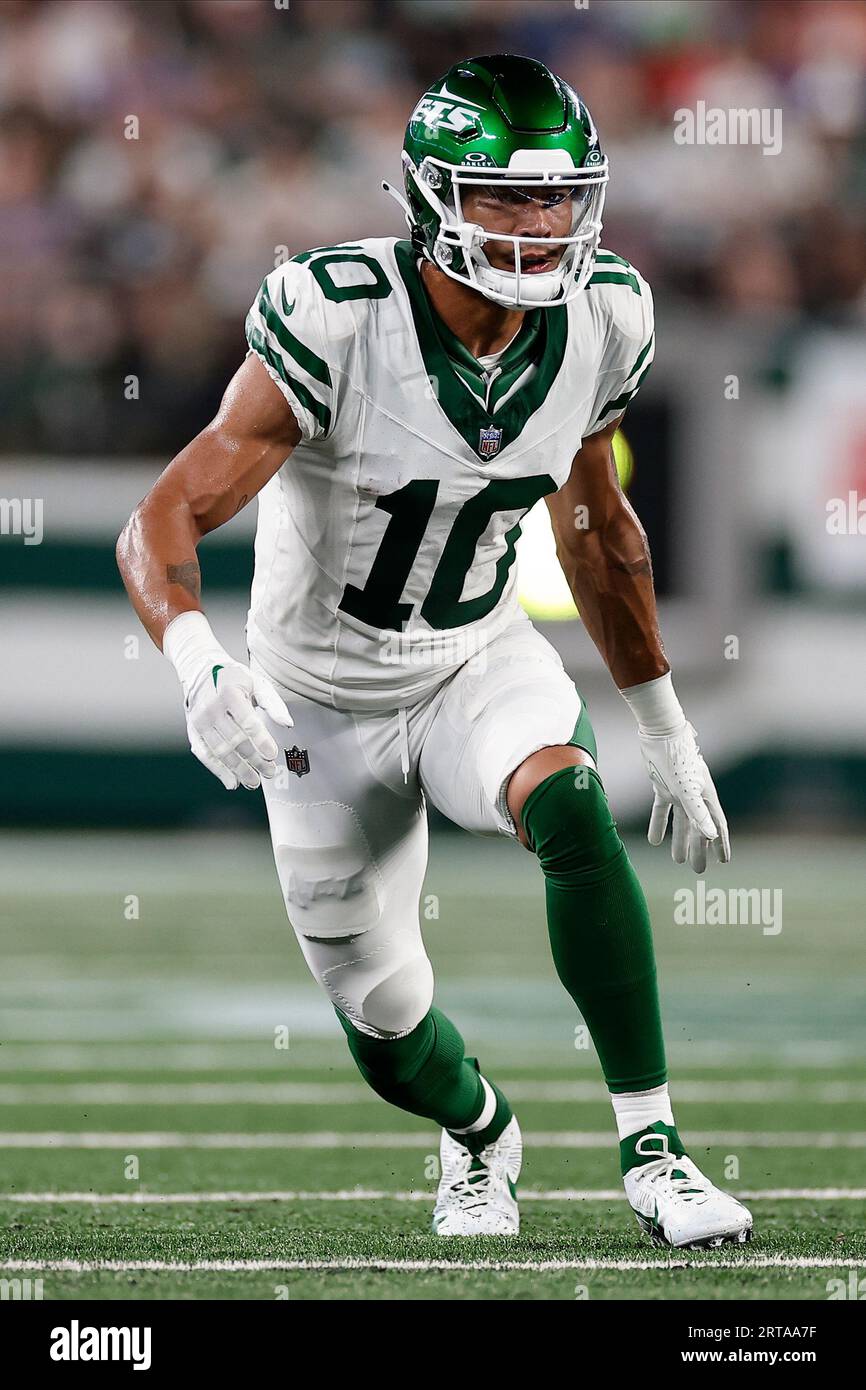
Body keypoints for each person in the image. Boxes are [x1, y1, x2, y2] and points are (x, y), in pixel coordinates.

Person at [117, 54, 751, 1249]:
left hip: (469, 656)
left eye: (556, 196)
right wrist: (198, 663)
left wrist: (663, 728)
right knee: (388, 1024)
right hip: (313, 701)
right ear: (429, 198)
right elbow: (163, 515)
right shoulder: (338, 314)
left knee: (569, 802)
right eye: (503, 197)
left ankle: (653, 1148)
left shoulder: (603, 315)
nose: (538, 223)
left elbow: (594, 526)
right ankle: (477, 1133)